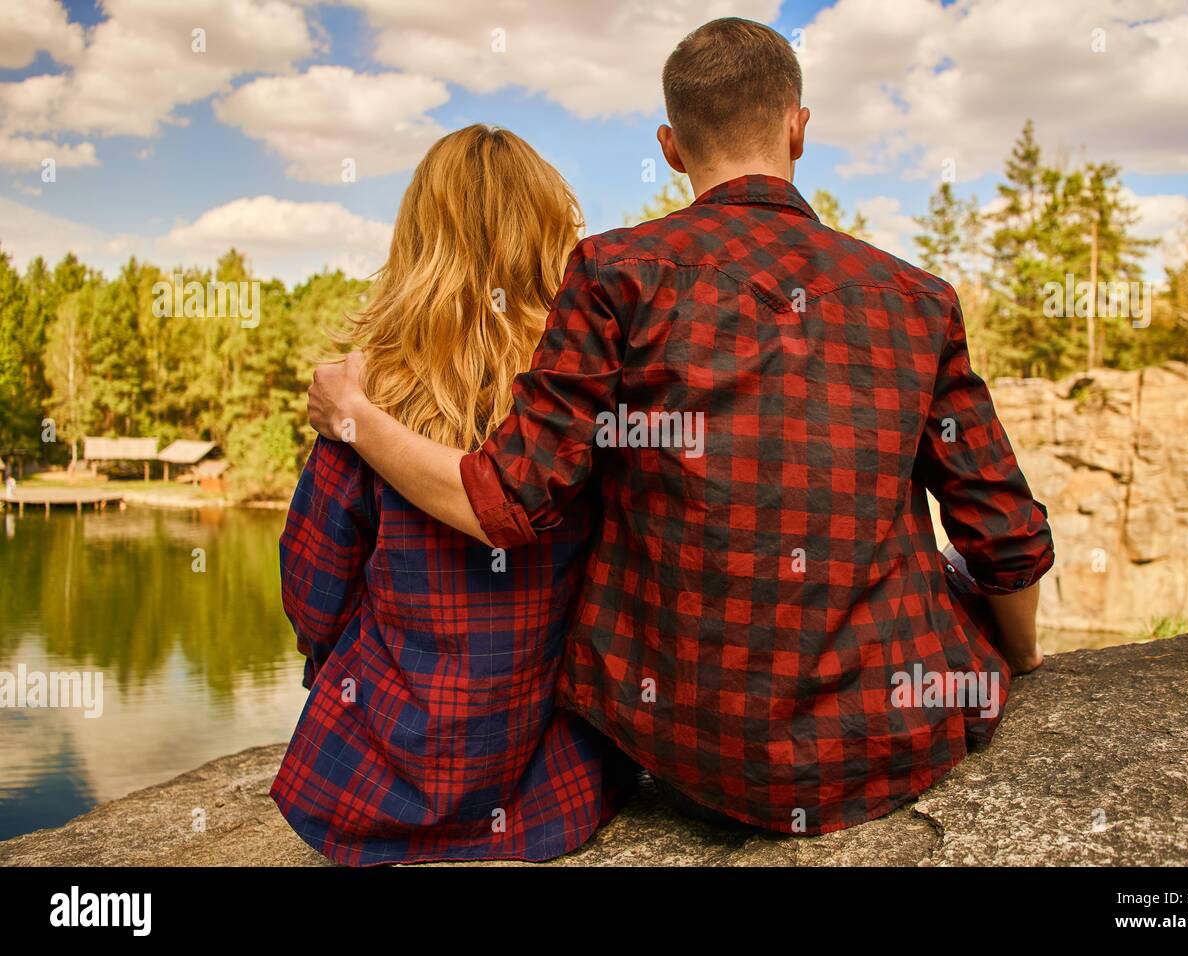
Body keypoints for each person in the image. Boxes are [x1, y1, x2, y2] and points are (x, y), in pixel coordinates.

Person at [308, 18, 1054, 835]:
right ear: (799, 127)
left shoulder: (614, 274)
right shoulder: (916, 297)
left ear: (670, 146)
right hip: (884, 741)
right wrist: (1020, 661)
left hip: (687, 746)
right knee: (946, 573)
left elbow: (507, 501)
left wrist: (354, 417)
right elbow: (1005, 538)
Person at [272, 125, 635, 866]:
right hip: (549, 783)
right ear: (547, 236)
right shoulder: (585, 395)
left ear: (417, 241)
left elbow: (312, 598)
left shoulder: (367, 397)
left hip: (374, 785)